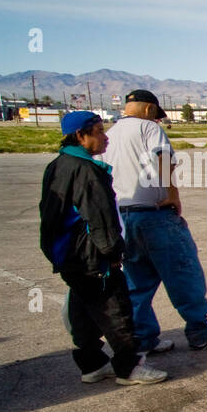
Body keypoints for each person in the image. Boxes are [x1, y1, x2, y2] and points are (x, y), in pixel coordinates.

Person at [40, 111, 168, 386]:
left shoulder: (58, 165)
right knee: (116, 309)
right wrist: (112, 254)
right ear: (80, 136)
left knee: (82, 309)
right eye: (98, 130)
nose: (105, 137)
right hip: (92, 257)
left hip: (68, 255)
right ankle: (129, 367)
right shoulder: (87, 172)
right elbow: (100, 218)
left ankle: (92, 364)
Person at [101, 89, 207, 352]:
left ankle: (144, 339)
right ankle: (199, 331)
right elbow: (163, 159)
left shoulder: (108, 134)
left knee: (137, 282)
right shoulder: (148, 128)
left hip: (123, 217)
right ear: (149, 110)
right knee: (183, 273)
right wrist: (172, 195)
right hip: (154, 214)